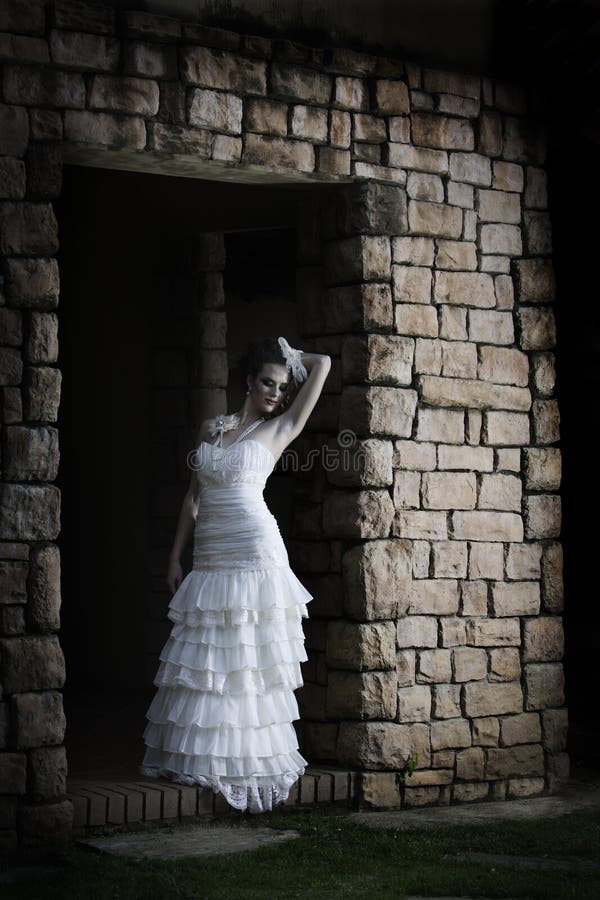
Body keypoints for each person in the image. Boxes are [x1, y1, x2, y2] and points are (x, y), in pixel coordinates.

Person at [140, 336, 332, 813]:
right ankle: (204, 756)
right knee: (209, 658)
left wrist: (293, 358)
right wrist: (174, 556)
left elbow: (322, 364)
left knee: (245, 660)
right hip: (211, 552)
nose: (274, 392)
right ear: (249, 382)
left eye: (281, 387)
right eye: (267, 382)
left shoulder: (280, 428)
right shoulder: (210, 430)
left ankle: (243, 760)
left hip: (253, 548)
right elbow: (193, 498)